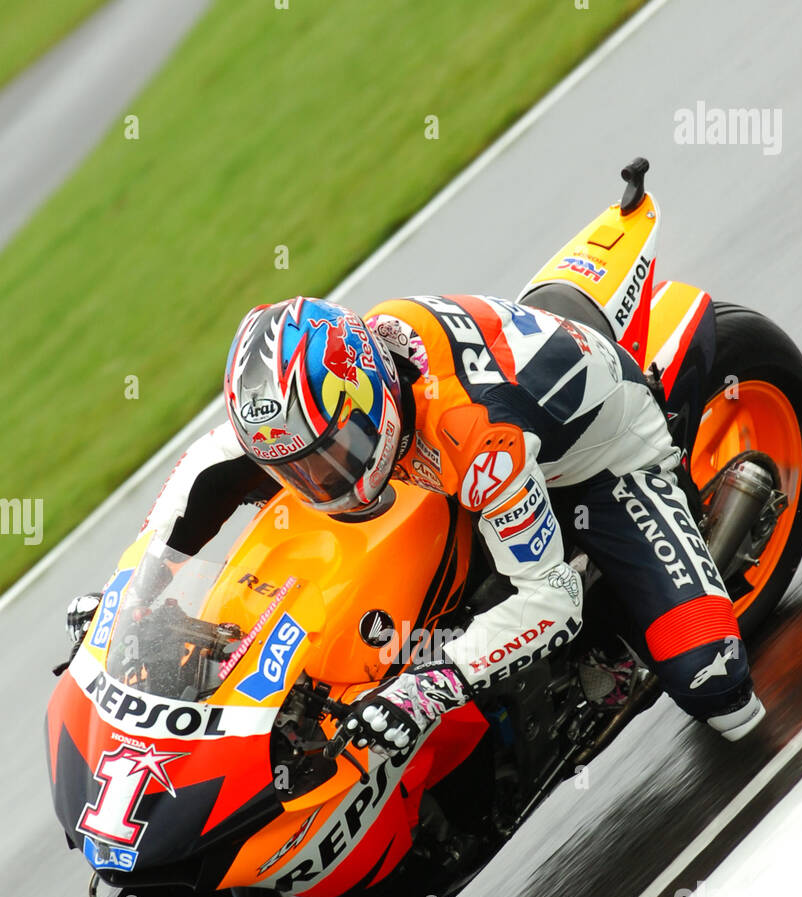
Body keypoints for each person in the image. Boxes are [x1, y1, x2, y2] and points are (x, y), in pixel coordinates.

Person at [69, 294, 765, 754]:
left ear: (373, 397)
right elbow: (203, 465)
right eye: (300, 469)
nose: (323, 483)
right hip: (471, 442)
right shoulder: (314, 402)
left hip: (600, 457)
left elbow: (551, 599)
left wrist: (427, 685)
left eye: (335, 456)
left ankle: (700, 546)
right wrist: (133, 593)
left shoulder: (475, 437)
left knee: (718, 693)